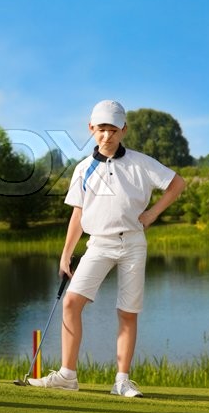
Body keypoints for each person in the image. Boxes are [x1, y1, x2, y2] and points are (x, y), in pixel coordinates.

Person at [28, 100, 185, 397]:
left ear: (123, 130)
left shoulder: (141, 162)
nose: (107, 136)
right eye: (101, 129)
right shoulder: (83, 169)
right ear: (91, 129)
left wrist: (152, 214)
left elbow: (177, 183)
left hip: (133, 243)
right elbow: (78, 214)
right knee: (71, 302)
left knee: (128, 312)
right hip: (98, 244)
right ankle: (67, 375)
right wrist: (65, 253)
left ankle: (122, 381)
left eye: (113, 130)